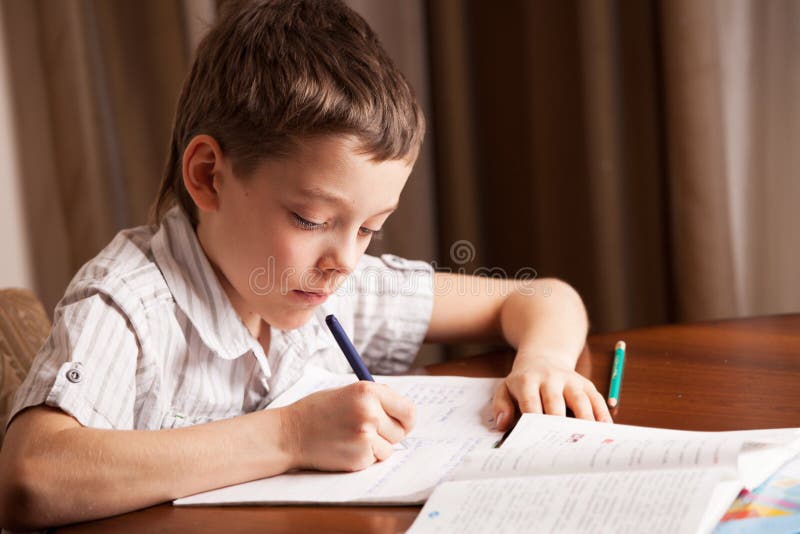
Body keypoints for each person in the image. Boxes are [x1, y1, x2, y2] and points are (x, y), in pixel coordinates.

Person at [0, 0, 611, 529]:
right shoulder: (130, 303)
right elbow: (30, 477)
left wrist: (545, 363)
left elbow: (545, 298)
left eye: (371, 227)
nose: (344, 260)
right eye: (311, 220)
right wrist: (289, 437)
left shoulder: (333, 287)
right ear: (209, 175)